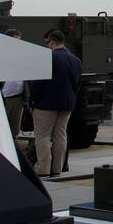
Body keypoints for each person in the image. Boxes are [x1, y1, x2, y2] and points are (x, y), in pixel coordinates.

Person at [27, 29, 80, 178]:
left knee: (42, 136)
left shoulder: (48, 58)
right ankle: (57, 168)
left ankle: (43, 168)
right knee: (60, 135)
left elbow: (38, 83)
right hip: (66, 104)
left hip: (46, 104)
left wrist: (32, 102)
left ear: (52, 41)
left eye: (48, 43)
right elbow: (77, 84)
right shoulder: (75, 60)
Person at [0, 29, 27, 142]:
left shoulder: (23, 55)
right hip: (4, 99)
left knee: (15, 130)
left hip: (18, 98)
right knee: (1, 128)